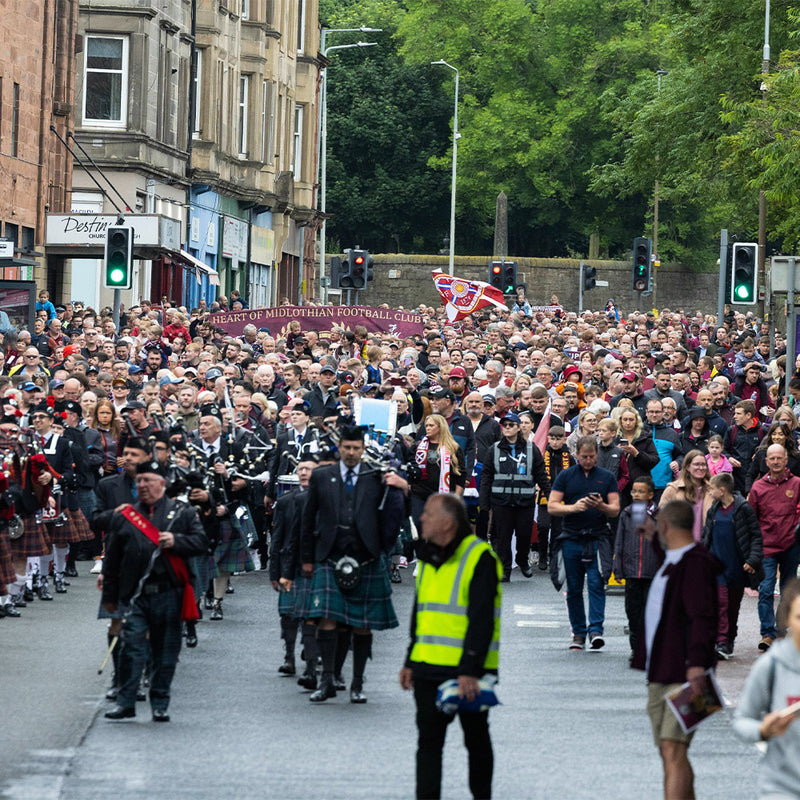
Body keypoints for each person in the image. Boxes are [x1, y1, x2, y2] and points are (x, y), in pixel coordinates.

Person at [399, 493, 501, 800]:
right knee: (428, 744)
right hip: (428, 666)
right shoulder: (427, 555)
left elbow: (481, 620)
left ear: (447, 522)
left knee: (476, 739)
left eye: (429, 515)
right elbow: (422, 611)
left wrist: (470, 669)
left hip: (468, 671)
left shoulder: (479, 557)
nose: (422, 519)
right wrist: (409, 660)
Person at [300, 424, 408, 703]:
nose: (350, 452)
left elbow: (394, 514)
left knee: (363, 624)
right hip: (329, 554)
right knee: (326, 618)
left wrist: (403, 487)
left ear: (362, 449)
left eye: (355, 448)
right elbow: (307, 519)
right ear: (340, 448)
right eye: (346, 448)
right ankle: (326, 682)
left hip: (366, 556)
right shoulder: (322, 476)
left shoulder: (377, 477)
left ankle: (357, 684)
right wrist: (307, 559)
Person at [101, 460, 208, 722]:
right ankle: (126, 703)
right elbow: (112, 560)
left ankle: (160, 702)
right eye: (139, 481)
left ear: (162, 483)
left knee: (165, 652)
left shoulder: (181, 513)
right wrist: (110, 599)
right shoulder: (125, 515)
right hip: (135, 595)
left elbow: (202, 543)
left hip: (168, 593)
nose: (142, 485)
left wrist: (177, 541)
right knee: (131, 649)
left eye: (148, 480)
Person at [632, 500, 721, 800]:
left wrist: (697, 665)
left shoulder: (696, 563)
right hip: (661, 669)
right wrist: (653, 539)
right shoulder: (675, 559)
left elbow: (702, 617)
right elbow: (672, 565)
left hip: (685, 672)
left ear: (667, 526)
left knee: (674, 748)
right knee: (671, 751)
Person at [548, 436, 620, 650]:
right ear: (576, 455)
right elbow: (552, 506)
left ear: (596, 456)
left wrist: (601, 506)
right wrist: (574, 508)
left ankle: (596, 630)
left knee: (597, 585)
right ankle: (578, 633)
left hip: (597, 537)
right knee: (574, 588)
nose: (588, 461)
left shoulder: (606, 477)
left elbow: (615, 508)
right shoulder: (566, 476)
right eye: (584, 457)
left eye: (592, 457)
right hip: (571, 536)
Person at [733, 579, 800, 799]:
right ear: (788, 619)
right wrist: (763, 730)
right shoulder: (772, 666)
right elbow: (741, 721)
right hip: (782, 788)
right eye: (799, 618)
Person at [479, 411, 550, 582]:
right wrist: (484, 504)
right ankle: (505, 569)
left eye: (512, 425)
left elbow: (541, 476)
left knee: (524, 535)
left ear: (518, 428)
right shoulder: (494, 449)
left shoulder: (531, 449)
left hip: (524, 502)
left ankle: (522, 559)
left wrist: (551, 497)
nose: (508, 428)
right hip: (501, 502)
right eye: (505, 425)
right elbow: (486, 478)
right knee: (502, 537)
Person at [702, 472, 763, 660]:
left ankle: (728, 640)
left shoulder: (742, 508)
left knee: (732, 607)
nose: (710, 493)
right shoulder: (714, 510)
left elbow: (755, 536)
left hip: (736, 567)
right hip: (716, 567)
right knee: (719, 604)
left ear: (722, 490)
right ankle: (720, 641)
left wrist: (752, 560)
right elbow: (707, 536)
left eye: (712, 489)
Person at [747, 444, 800, 652]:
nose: (776, 461)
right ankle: (767, 634)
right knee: (766, 590)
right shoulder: (758, 488)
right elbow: (752, 520)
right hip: (767, 546)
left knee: (788, 592)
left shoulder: (797, 484)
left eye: (780, 458)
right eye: (772, 458)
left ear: (786, 460)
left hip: (791, 546)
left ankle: (781, 631)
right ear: (766, 461)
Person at [612, 475, 658, 658]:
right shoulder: (627, 513)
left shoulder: (659, 515)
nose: (637, 495)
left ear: (651, 494)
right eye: (634, 491)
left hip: (651, 572)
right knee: (633, 610)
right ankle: (635, 647)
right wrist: (618, 568)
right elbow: (620, 541)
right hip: (631, 572)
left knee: (649, 611)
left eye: (641, 491)